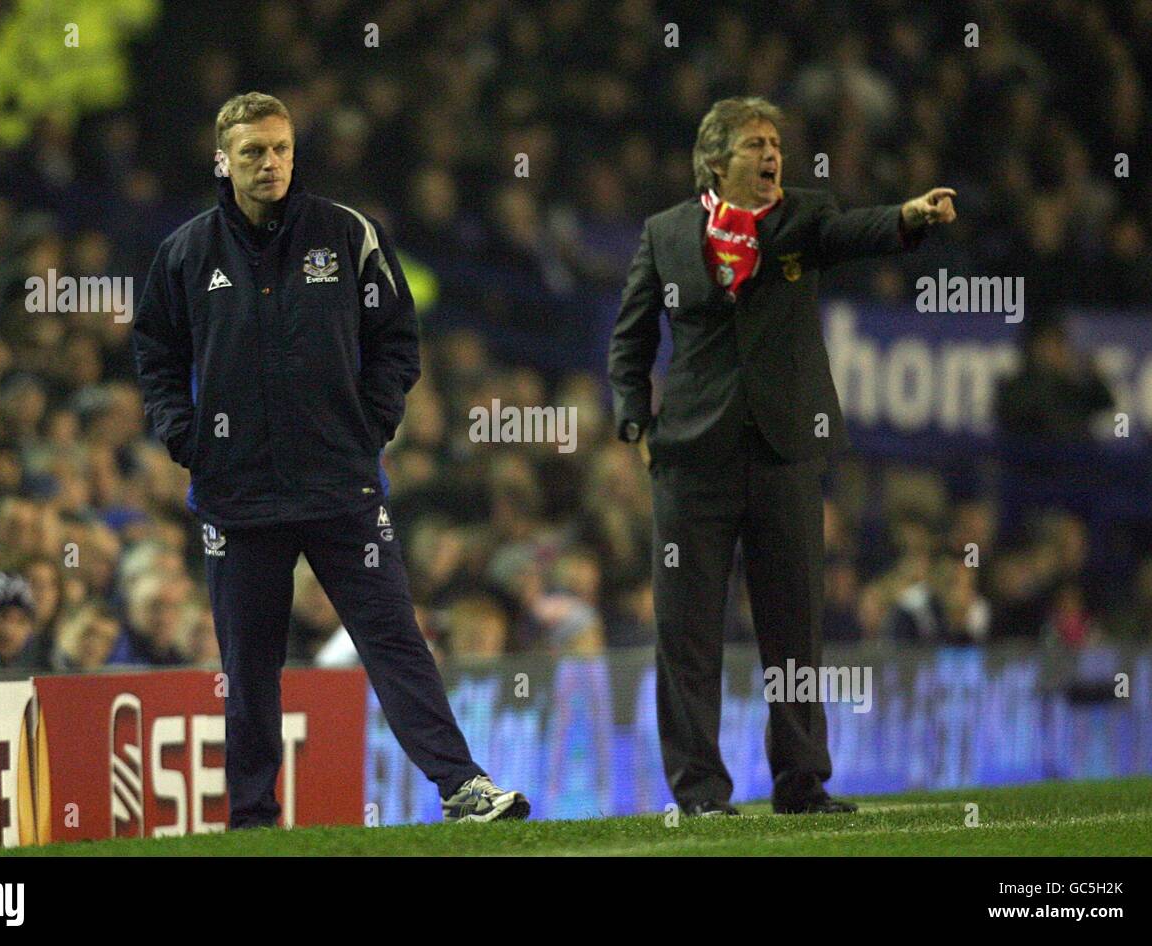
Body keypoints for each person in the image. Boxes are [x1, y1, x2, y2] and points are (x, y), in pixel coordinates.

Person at [133, 92, 527, 828]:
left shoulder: (347, 235)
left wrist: (369, 424)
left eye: (280, 148)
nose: (270, 163)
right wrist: (183, 435)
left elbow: (398, 340)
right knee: (249, 668)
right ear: (223, 161)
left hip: (341, 485)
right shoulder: (186, 253)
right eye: (253, 151)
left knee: (394, 640)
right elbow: (154, 351)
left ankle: (461, 786)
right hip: (237, 495)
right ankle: (251, 818)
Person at [608, 96, 957, 815]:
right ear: (716, 160)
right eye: (756, 144)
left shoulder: (803, 218)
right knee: (688, 634)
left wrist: (909, 216)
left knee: (795, 626)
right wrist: (636, 425)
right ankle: (701, 793)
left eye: (776, 143)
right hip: (692, 463)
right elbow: (631, 341)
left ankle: (801, 782)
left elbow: (853, 231)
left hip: (785, 454)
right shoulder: (666, 234)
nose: (772, 155)